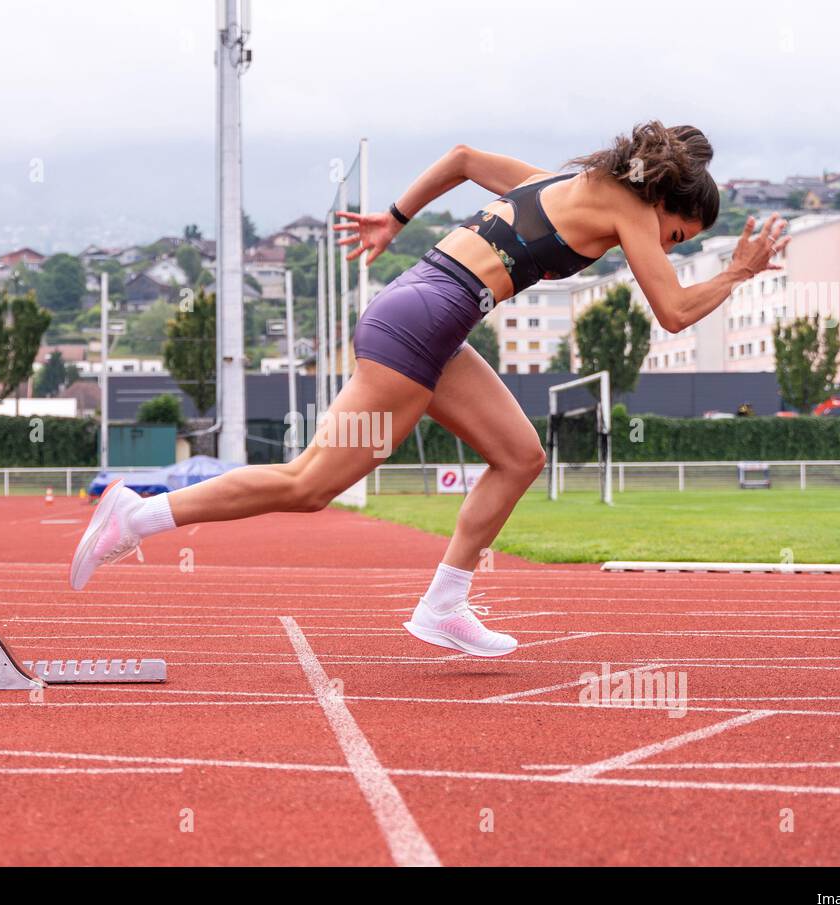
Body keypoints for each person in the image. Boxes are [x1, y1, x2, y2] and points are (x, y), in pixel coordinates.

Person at [69, 120, 790, 658]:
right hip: (421, 324)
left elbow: (465, 157)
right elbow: (672, 312)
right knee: (310, 483)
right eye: (676, 238)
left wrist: (398, 216)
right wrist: (738, 273)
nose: (665, 250)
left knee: (518, 454)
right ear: (660, 200)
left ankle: (444, 604)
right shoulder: (629, 210)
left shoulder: (558, 183)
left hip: (430, 314)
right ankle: (136, 517)